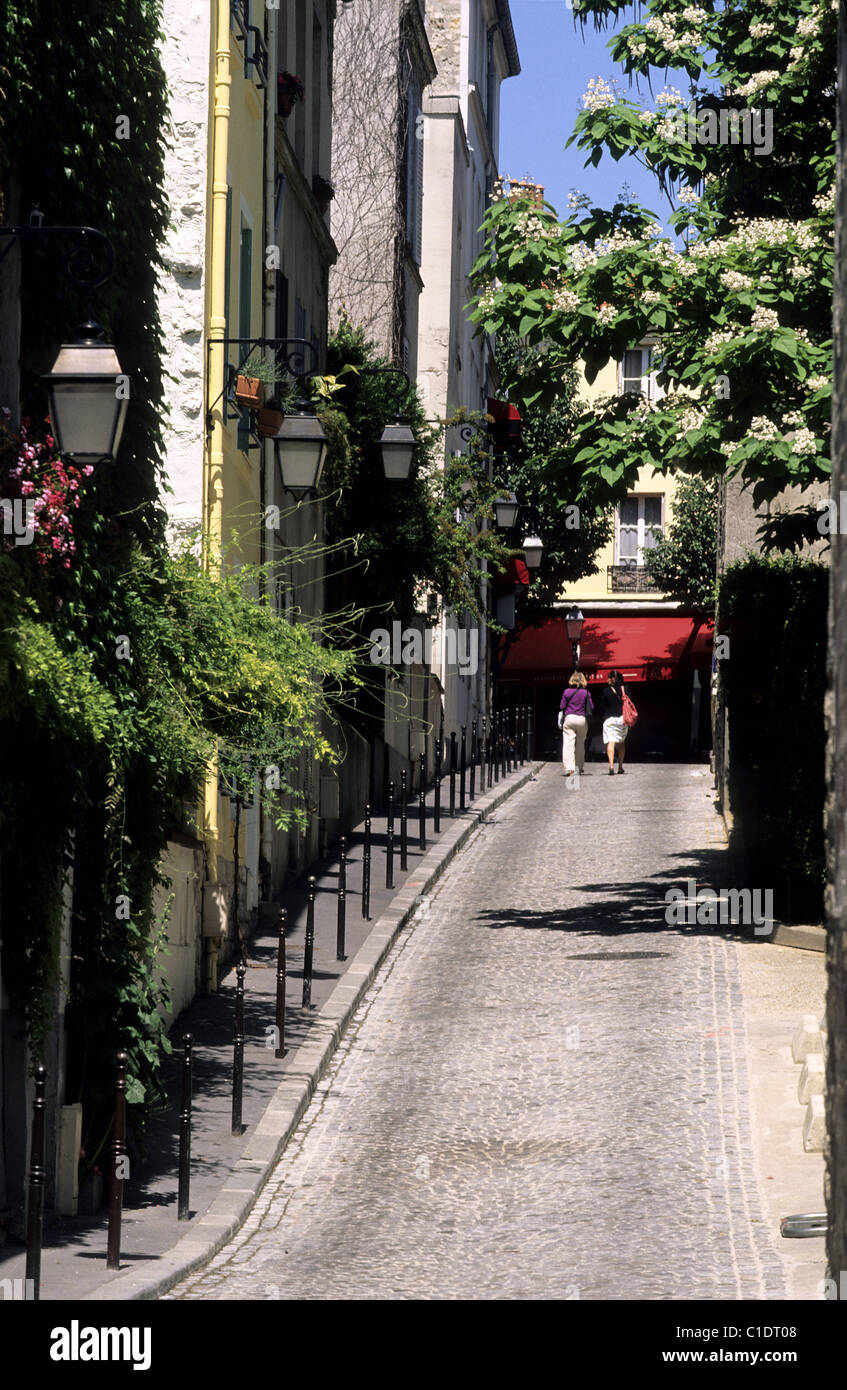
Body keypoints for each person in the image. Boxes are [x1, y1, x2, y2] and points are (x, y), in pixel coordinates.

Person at [557, 671, 594, 777]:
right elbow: (591, 707)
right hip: (581, 719)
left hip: (569, 718)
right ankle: (578, 767)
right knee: (580, 744)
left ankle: (569, 768)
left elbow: (562, 706)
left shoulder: (566, 692)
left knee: (568, 744)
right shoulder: (586, 692)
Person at [597, 669, 629, 775]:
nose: (607, 680)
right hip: (622, 719)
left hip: (609, 719)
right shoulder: (625, 689)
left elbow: (601, 706)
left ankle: (611, 766)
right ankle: (620, 767)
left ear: (612, 679)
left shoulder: (605, 691)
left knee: (611, 742)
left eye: (608, 678)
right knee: (621, 743)